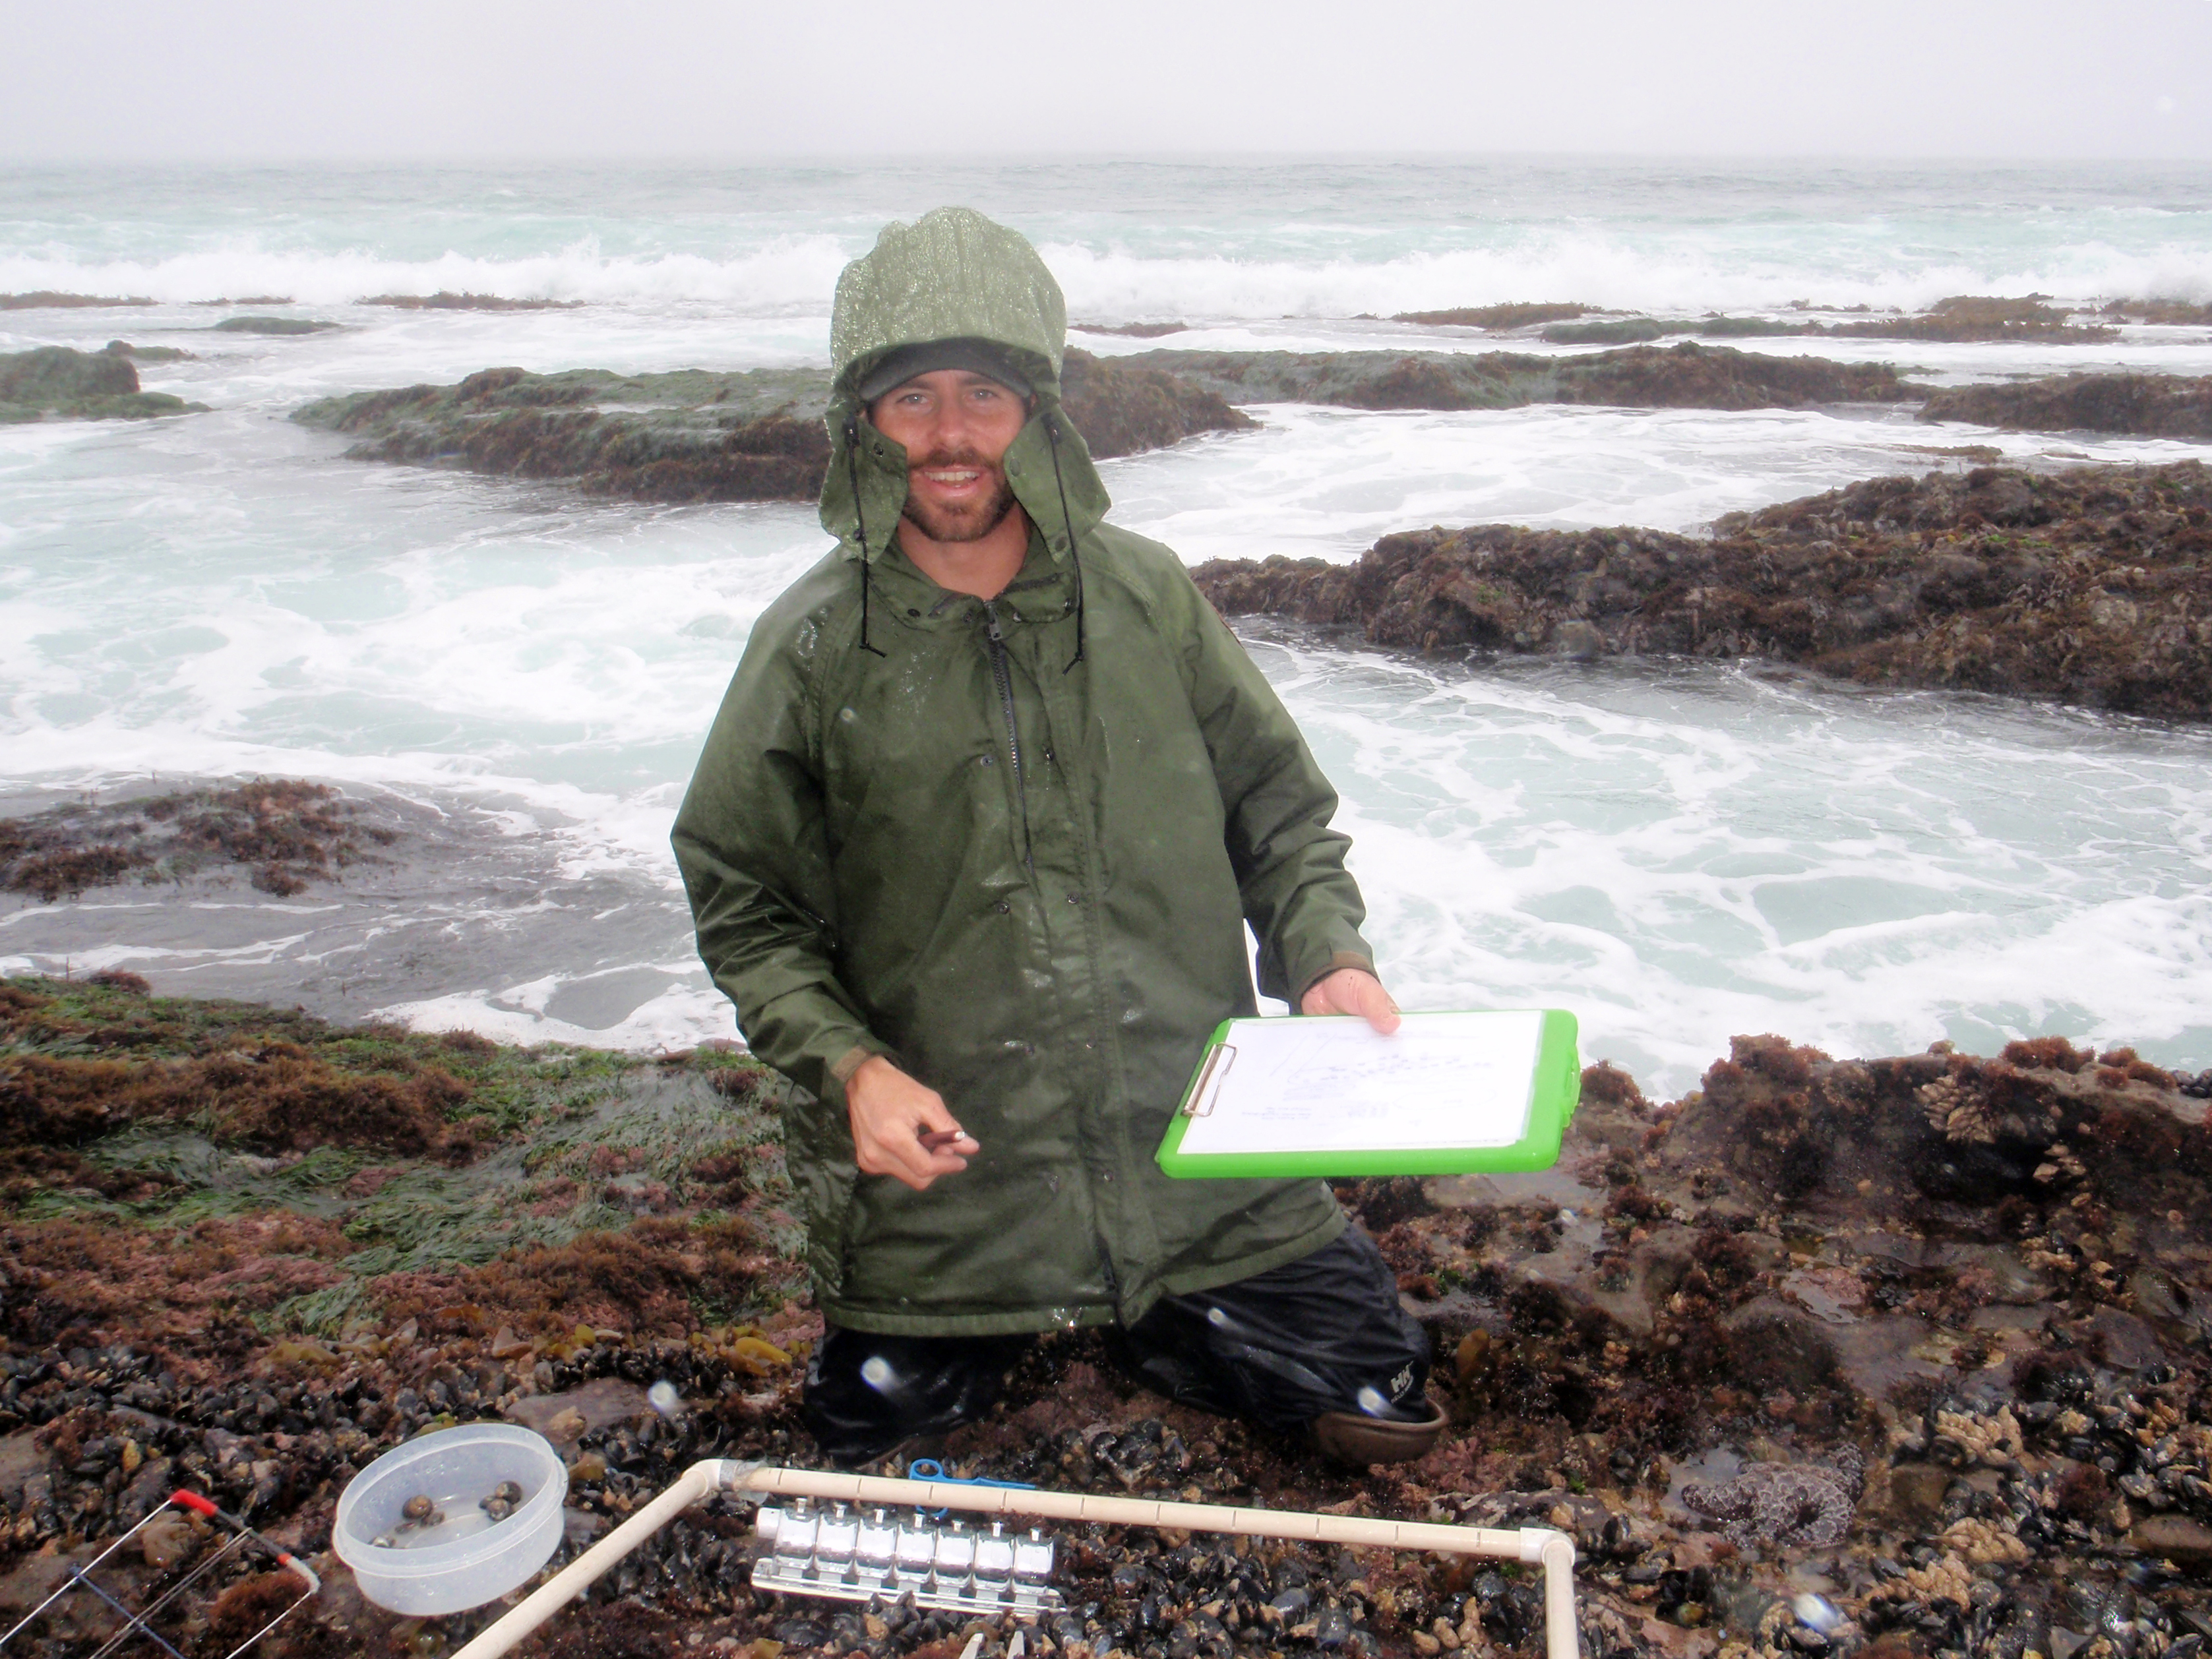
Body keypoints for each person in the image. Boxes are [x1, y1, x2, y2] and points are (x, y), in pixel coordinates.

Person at [673, 206, 1442, 1469]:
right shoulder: (809, 644)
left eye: (984, 392)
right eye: (910, 398)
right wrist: (851, 1071)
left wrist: (1323, 955)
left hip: (1203, 1146)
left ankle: (1161, 1314)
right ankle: (1079, 1315)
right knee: (871, 1429)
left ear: (1039, 411)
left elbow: (1279, 809)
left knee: (1378, 1396)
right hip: (954, 1182)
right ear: (860, 422)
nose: (951, 434)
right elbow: (741, 895)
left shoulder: (1145, 594)